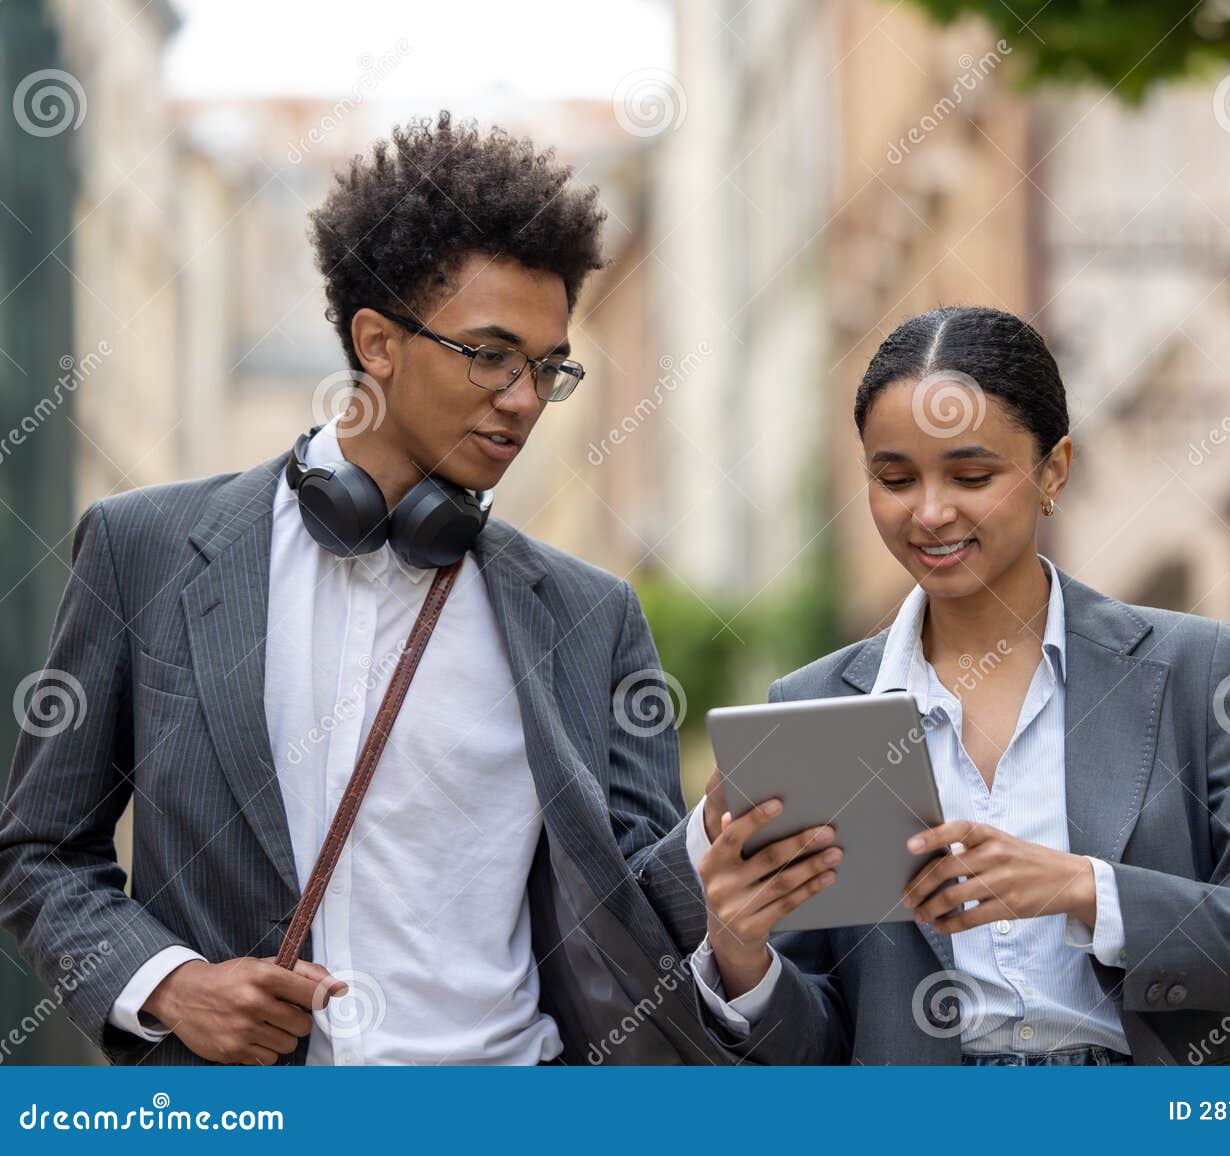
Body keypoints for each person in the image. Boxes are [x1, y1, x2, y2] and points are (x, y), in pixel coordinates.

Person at [0, 112, 721, 1066]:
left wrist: (722, 853)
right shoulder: (145, 551)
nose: (523, 398)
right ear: (377, 342)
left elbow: (634, 915)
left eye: (549, 368)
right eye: (491, 355)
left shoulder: (593, 616)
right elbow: (40, 852)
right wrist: (170, 985)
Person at [688, 305, 1230, 1065]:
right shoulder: (813, 710)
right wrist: (741, 953)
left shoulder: (1188, 670)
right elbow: (822, 1049)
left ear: (1053, 470)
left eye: (972, 476)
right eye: (895, 479)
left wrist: (1084, 890)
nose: (930, 513)